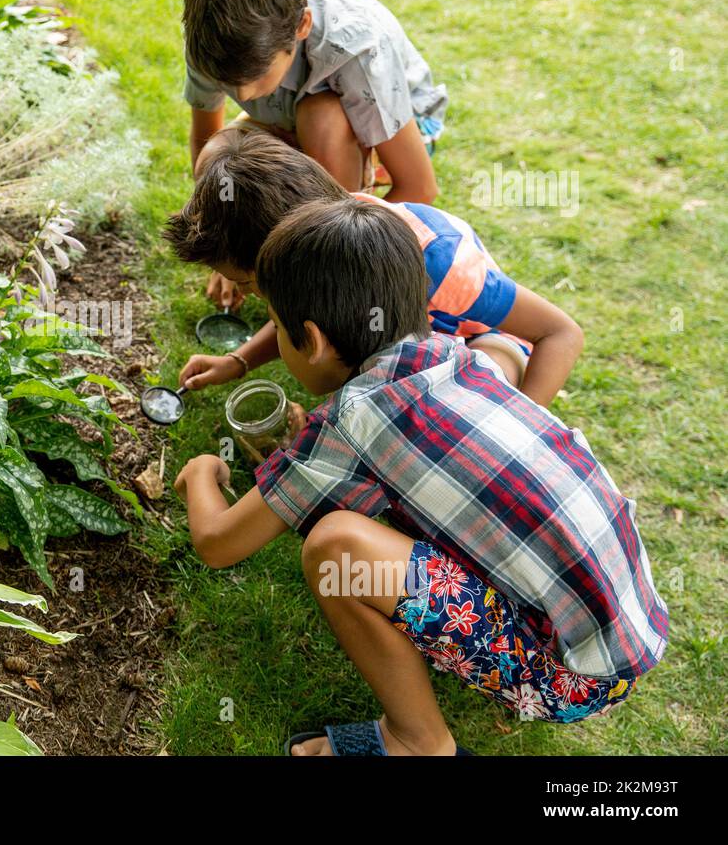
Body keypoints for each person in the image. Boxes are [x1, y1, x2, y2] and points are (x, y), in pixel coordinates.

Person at [173, 196, 667, 756]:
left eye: (279, 330)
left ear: (311, 339)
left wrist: (202, 475)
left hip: (572, 679)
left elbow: (218, 542)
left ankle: (416, 740)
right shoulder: (464, 357)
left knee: (336, 550)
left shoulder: (352, 420)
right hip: (635, 623)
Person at [163, 125, 583, 407]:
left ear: (287, 254)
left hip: (480, 346)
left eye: (249, 283)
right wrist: (238, 361)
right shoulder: (319, 246)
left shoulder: (437, 263)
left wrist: (519, 427)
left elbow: (560, 333)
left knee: (460, 389)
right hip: (395, 345)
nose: (248, 295)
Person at [183, 0, 448, 306]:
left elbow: (420, 187)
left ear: (302, 27)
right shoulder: (212, 38)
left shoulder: (357, 50)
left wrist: (349, 242)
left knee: (320, 115)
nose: (241, 95)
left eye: (257, 76)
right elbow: (204, 141)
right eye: (227, 82)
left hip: (397, 130)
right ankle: (271, 250)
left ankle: (321, 262)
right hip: (290, 120)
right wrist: (225, 252)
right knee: (221, 154)